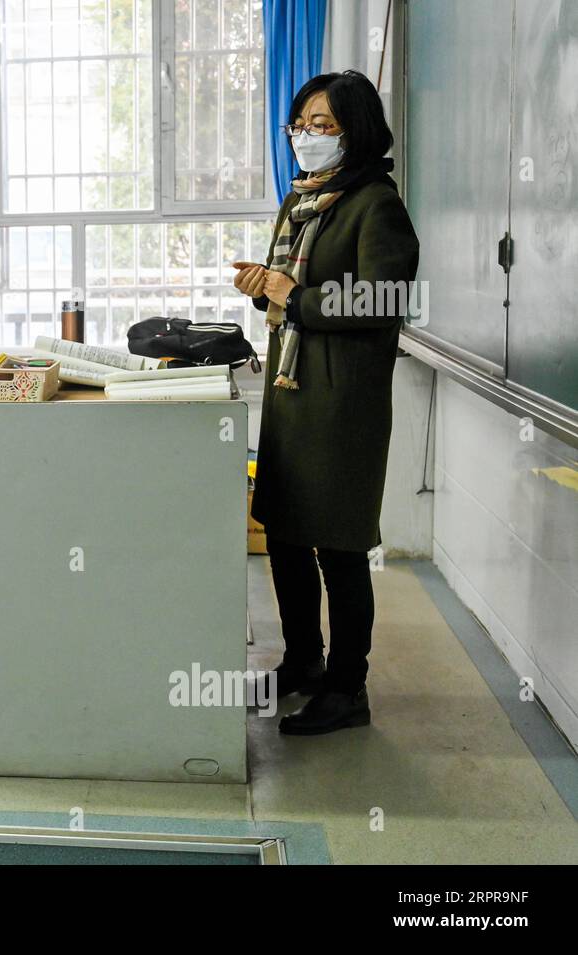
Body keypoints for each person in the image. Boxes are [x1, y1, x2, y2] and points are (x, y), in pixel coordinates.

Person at [232, 70, 419, 736]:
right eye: (300, 125)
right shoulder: (302, 202)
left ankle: (348, 687)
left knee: (338, 546)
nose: (306, 138)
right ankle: (303, 662)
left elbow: (381, 301)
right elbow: (287, 288)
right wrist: (265, 288)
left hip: (342, 405)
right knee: (284, 536)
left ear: (356, 130)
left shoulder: (376, 204)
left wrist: (293, 297)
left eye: (324, 126)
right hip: (292, 396)